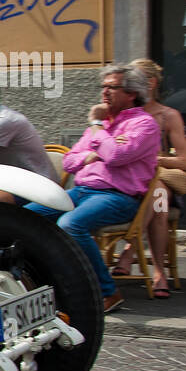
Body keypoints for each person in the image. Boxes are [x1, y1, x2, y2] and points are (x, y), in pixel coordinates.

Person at [25, 64, 161, 314]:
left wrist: (98, 129)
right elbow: (70, 161)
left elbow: (117, 156)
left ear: (131, 93)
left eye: (112, 87)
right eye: (104, 86)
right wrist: (95, 153)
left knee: (70, 224)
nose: (105, 92)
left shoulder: (144, 125)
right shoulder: (101, 128)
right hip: (82, 191)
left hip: (118, 197)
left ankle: (108, 292)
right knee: (27, 216)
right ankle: (36, 283)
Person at [108, 59, 186, 299]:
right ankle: (155, 271)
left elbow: (185, 161)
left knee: (159, 198)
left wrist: (149, 159)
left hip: (157, 185)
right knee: (157, 199)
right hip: (124, 184)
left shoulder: (168, 115)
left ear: (151, 83)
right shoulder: (118, 115)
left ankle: (144, 261)